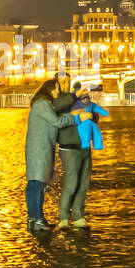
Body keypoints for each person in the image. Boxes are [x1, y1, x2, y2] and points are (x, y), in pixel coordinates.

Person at [25, 78, 87, 232]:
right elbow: (57, 122)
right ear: (50, 90)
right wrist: (76, 117)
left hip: (40, 148)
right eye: (57, 89)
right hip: (40, 150)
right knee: (37, 185)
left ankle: (34, 219)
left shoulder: (41, 104)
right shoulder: (43, 105)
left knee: (35, 185)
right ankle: (37, 219)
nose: (58, 92)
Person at [56, 82, 109, 228]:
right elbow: (59, 120)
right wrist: (78, 115)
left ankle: (78, 216)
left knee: (83, 183)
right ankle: (64, 217)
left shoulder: (79, 99)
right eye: (62, 82)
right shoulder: (60, 101)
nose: (65, 84)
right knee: (72, 183)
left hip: (84, 147)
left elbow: (95, 116)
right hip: (69, 147)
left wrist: (92, 115)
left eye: (67, 81)